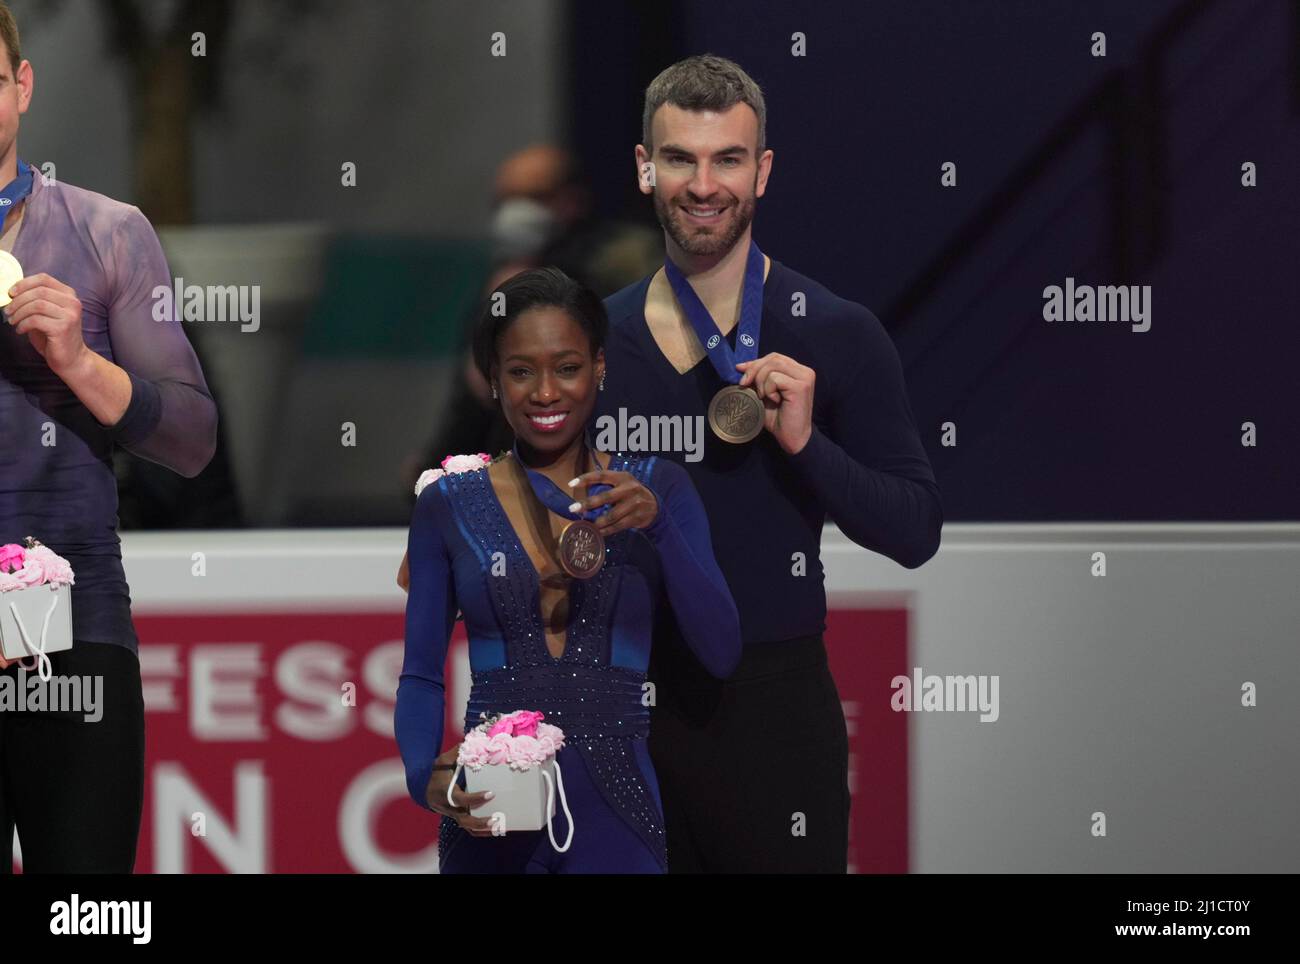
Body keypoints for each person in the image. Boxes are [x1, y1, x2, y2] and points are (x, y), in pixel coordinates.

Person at [594, 54, 943, 872]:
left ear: (764, 172)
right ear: (646, 169)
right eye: (679, 157)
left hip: (774, 714)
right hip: (619, 706)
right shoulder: (591, 343)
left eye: (729, 159)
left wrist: (804, 443)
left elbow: (915, 528)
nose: (704, 184)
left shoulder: (835, 331)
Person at [395, 267, 740, 873]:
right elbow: (422, 674)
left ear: (600, 367)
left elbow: (721, 651)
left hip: (618, 813)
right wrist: (423, 775)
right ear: (493, 381)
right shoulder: (447, 504)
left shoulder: (657, 488)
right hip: (489, 809)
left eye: (568, 367)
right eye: (521, 371)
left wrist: (658, 527)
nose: (546, 392)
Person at [0, 2, 217, 873]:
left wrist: (80, 363)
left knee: (84, 921)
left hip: (75, 627)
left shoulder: (108, 230)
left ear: (21, 85)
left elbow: (194, 438)